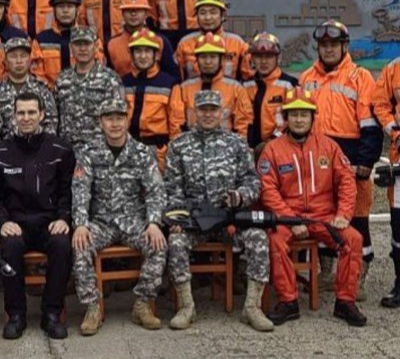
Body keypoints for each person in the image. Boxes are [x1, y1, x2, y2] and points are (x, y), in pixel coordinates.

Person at [164, 90, 273, 332]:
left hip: (229, 219)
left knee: (258, 238)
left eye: (213, 109)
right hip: (195, 221)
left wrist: (240, 196)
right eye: (203, 110)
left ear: (222, 112)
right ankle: (186, 306)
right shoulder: (179, 146)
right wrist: (178, 217)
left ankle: (252, 307)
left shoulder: (236, 144)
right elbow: (171, 188)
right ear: (194, 113)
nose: (208, 114)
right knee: (176, 241)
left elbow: (253, 182)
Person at [258, 88, 366, 327]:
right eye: (294, 114)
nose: (299, 119)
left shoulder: (329, 147)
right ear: (286, 118)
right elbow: (268, 190)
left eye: (304, 114)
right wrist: (290, 219)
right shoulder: (272, 149)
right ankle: (288, 302)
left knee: (353, 240)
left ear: (312, 117)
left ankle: (345, 302)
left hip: (323, 216)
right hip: (287, 219)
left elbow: (347, 181)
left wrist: (343, 215)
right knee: (275, 241)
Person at [300, 19, 382, 298]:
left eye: (334, 45)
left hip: (352, 154)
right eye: (324, 45)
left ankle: (358, 274)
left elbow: (371, 126)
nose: (329, 50)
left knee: (357, 217)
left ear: (344, 46)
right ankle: (327, 270)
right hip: (317, 154)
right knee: (324, 214)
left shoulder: (360, 77)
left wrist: (366, 162)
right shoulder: (307, 78)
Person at [71, 97, 167, 335]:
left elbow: (155, 190)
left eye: (119, 118)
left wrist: (154, 222)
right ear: (100, 122)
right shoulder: (89, 152)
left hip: (133, 221)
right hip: (100, 222)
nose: (114, 124)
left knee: (158, 245)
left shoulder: (142, 153)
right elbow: (80, 189)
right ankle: (92, 307)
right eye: (109, 118)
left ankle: (142, 304)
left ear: (128, 120)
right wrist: (81, 224)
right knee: (79, 245)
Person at [0, 91, 74, 339]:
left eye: (31, 112)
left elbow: (68, 192)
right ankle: (16, 315)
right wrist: (2, 222)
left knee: (61, 244)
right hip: (16, 223)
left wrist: (63, 217)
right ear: (13, 116)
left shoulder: (60, 150)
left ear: (42, 115)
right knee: (10, 247)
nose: (26, 118)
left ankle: (51, 314)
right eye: (21, 113)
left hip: (49, 221)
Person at [168, 33, 253, 139]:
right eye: (203, 57)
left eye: (213, 57)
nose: (208, 62)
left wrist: (237, 150)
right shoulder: (182, 89)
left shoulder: (236, 89)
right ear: (197, 60)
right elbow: (175, 125)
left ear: (221, 60)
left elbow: (243, 126)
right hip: (191, 150)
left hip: (225, 149)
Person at [55, 27, 123, 149]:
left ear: (96, 46)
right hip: (67, 151)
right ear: (71, 47)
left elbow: (117, 118)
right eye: (78, 44)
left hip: (99, 151)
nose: (82, 49)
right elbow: (57, 117)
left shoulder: (109, 78)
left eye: (87, 44)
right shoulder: (62, 79)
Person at [121, 29, 179, 171]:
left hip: (158, 151)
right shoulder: (122, 82)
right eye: (138, 51)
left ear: (156, 55)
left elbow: (175, 123)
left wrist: (170, 154)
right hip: (127, 148)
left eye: (147, 51)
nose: (143, 56)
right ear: (131, 54)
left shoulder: (169, 84)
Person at [173, 0, 253, 81]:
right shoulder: (184, 43)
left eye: (213, 12)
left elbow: (249, 79)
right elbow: (176, 79)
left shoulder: (238, 43)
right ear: (196, 16)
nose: (208, 17)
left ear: (223, 15)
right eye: (202, 13)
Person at [373, 55, 400, 307]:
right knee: (399, 227)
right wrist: (395, 131)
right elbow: (380, 104)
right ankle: (399, 284)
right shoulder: (392, 68)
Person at [106, 0, 179, 80]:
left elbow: (173, 76)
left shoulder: (160, 41)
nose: (133, 14)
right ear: (122, 13)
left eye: (138, 10)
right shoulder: (112, 44)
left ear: (146, 13)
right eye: (129, 10)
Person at [0, 37, 57, 140]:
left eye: (23, 56)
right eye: (13, 56)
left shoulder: (42, 89)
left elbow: (51, 123)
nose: (19, 61)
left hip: (37, 149)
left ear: (30, 60)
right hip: (6, 149)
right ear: (5, 61)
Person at [243, 32, 298, 150]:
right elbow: (241, 119)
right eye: (259, 56)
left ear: (278, 58)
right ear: (252, 58)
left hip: (282, 147)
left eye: (269, 56)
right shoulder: (246, 85)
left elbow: (293, 119)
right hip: (249, 149)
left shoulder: (290, 85)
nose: (263, 61)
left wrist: (272, 141)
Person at [34, 0, 83, 87]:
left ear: (77, 10)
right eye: (60, 6)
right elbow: (37, 74)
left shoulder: (89, 38)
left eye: (69, 6)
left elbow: (96, 70)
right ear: (54, 10)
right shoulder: (41, 40)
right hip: (50, 96)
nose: (65, 11)